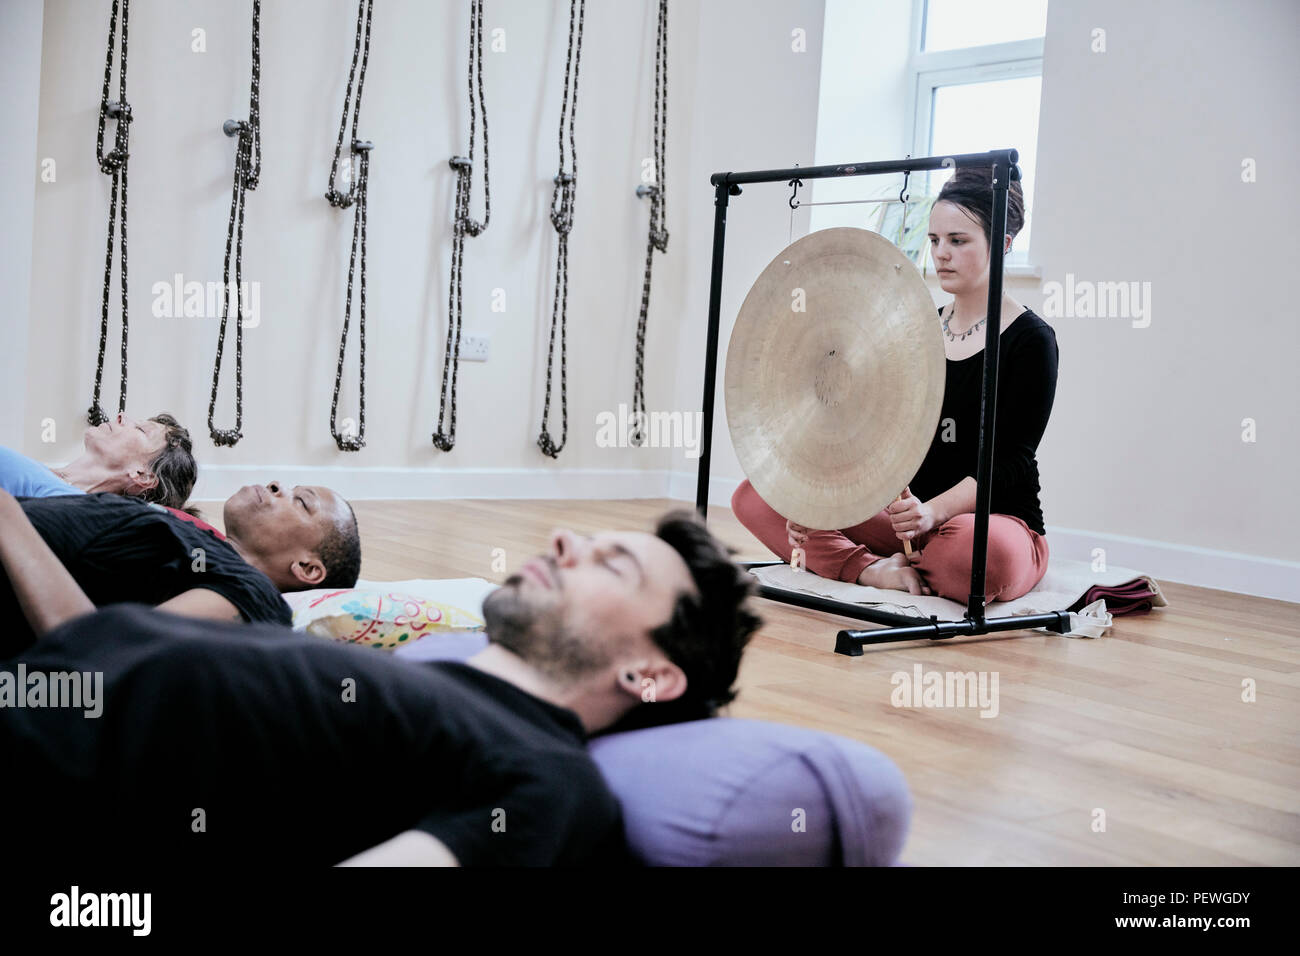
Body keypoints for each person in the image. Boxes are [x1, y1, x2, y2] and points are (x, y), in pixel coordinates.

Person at [0, 503, 761, 866]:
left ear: (649, 672)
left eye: (612, 564)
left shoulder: (548, 776)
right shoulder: (430, 670)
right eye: (585, 540)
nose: (566, 541)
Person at [733, 166, 1058, 604]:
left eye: (958, 241)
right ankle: (872, 569)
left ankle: (926, 561)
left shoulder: (1030, 339)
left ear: (1001, 245)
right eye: (934, 241)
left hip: (991, 521)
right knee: (758, 494)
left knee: (977, 555)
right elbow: (870, 430)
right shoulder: (915, 328)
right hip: (904, 521)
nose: (941, 254)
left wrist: (932, 512)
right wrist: (809, 498)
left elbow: (1011, 462)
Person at [0, 480, 361, 657]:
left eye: (300, 501)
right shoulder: (198, 538)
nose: (276, 485)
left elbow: (98, 651)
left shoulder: (251, 591)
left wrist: (7, 516)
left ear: (307, 568)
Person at [0, 411, 197, 509]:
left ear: (143, 475)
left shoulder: (71, 506)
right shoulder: (43, 475)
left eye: (140, 429)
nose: (121, 416)